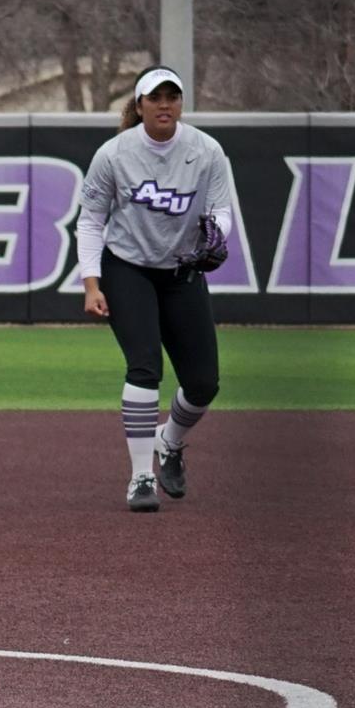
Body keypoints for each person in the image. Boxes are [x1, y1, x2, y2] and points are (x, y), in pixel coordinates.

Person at [77, 65, 234, 513]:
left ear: (181, 103)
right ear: (140, 103)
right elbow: (90, 221)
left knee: (204, 383)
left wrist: (215, 235)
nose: (165, 104)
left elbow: (222, 210)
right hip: (128, 268)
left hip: (182, 271)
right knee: (144, 368)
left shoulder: (206, 151)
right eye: (156, 96)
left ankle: (171, 441)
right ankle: (140, 477)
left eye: (173, 96)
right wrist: (92, 283)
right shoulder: (115, 153)